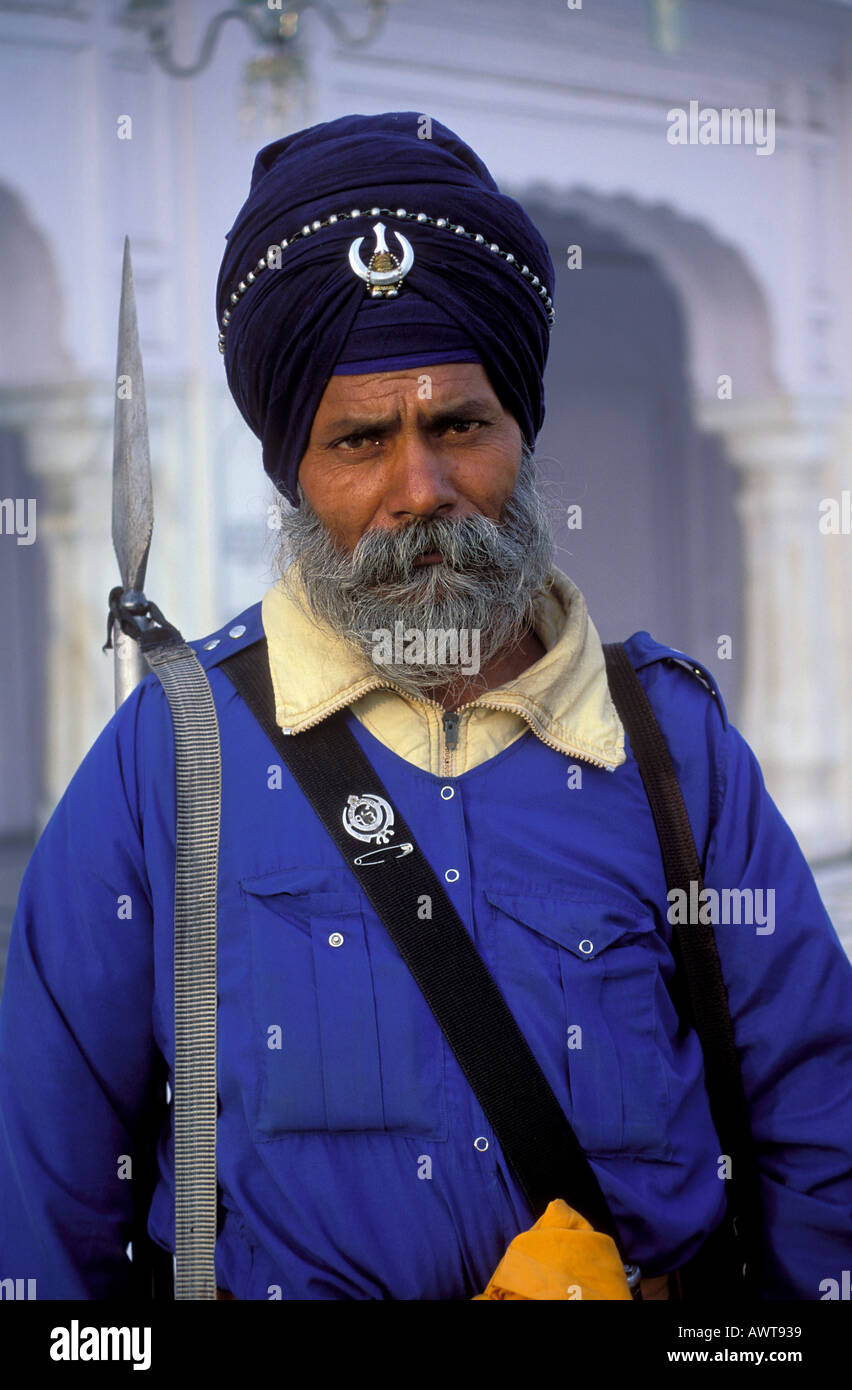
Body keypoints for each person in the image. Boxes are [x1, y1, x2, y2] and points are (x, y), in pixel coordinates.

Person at [1, 112, 850, 1302]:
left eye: (459, 424)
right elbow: (43, 1186)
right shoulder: (172, 756)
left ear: (522, 433)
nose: (422, 488)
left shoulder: (670, 749)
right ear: (294, 467)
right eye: (361, 440)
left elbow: (821, 1138)